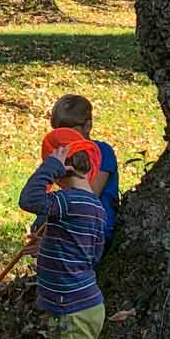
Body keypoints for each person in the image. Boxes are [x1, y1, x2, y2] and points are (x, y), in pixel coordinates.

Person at [19, 130, 117, 339]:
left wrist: (48, 167)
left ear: (63, 166)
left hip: (74, 308)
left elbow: (29, 199)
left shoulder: (69, 201)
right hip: (72, 306)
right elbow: (82, 253)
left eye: (54, 164)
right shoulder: (92, 207)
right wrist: (44, 246)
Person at [50, 94, 121, 239]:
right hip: (71, 223)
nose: (63, 137)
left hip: (95, 229)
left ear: (87, 126)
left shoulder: (103, 152)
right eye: (58, 132)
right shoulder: (63, 153)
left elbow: (90, 196)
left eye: (69, 131)